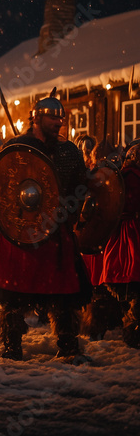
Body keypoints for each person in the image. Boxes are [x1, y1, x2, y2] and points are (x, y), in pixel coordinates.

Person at [0, 89, 91, 362]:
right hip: (22, 231)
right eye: (52, 119)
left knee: (64, 294)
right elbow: (1, 189)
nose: (58, 123)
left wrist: (72, 205)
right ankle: (11, 346)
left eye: (61, 118)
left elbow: (80, 186)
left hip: (55, 231)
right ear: (36, 118)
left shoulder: (69, 151)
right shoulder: (17, 148)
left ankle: (68, 345)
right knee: (14, 296)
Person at [99, 141, 140, 348]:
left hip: (120, 234)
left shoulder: (121, 175)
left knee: (125, 286)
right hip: (131, 234)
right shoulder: (130, 177)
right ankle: (131, 327)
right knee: (132, 278)